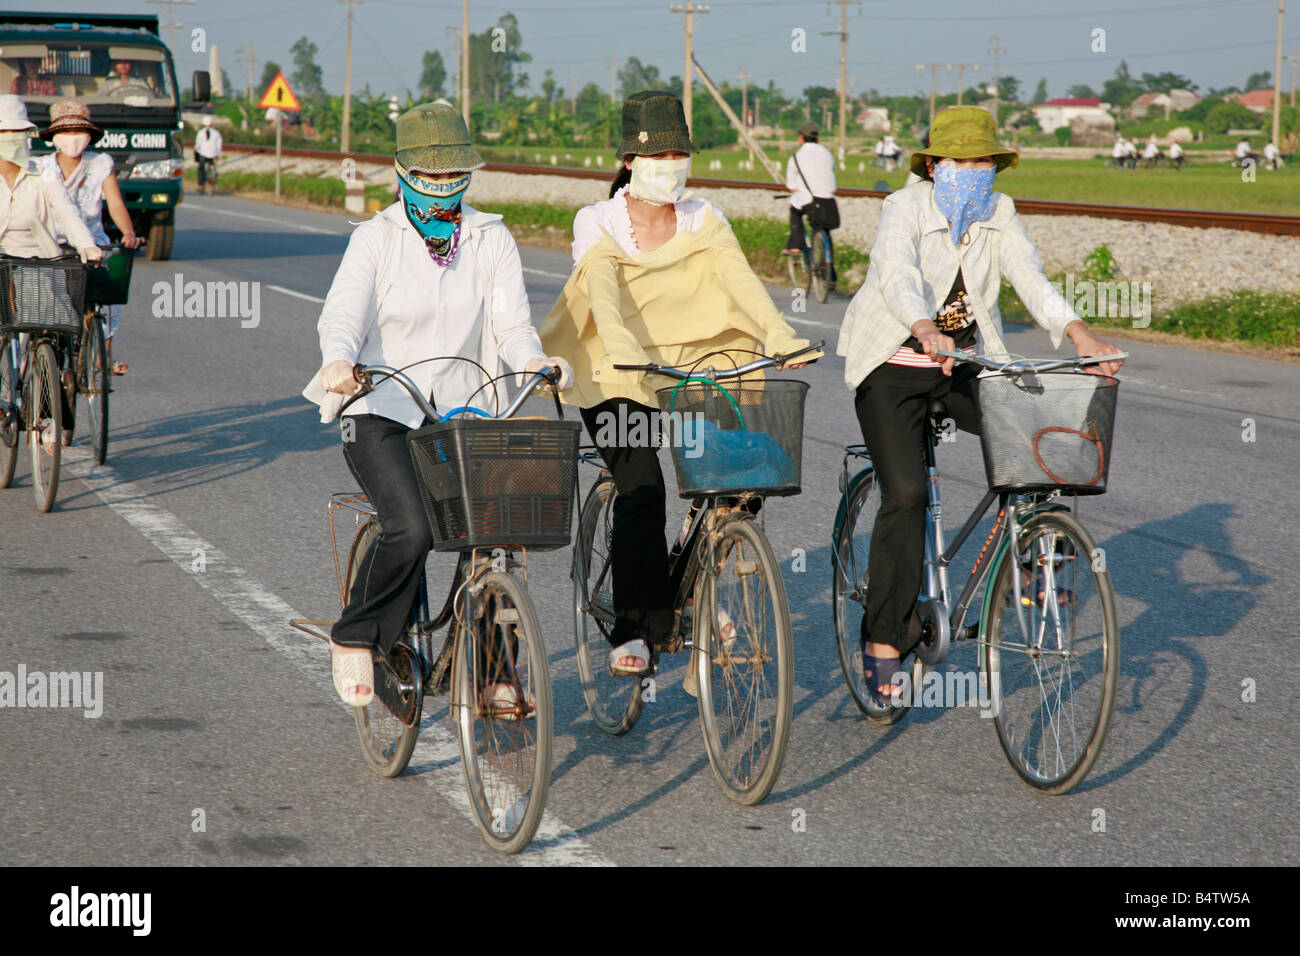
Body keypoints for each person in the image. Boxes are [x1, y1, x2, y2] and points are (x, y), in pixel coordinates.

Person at [836, 106, 1123, 706]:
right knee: (908, 494)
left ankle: (1034, 552)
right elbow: (897, 273)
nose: (974, 171)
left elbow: (1029, 274)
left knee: (1038, 436)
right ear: (934, 164)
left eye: (984, 161)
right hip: (892, 365)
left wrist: (1078, 333)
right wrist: (922, 325)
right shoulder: (903, 209)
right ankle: (885, 638)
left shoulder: (1000, 210)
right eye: (962, 160)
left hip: (962, 364)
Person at [542, 91, 819, 679]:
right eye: (659, 152)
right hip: (618, 369)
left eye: (679, 151)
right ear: (631, 159)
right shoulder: (598, 222)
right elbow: (603, 298)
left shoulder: (704, 218)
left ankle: (704, 585)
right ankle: (634, 626)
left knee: (740, 470)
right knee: (642, 485)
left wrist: (780, 335)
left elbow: (742, 285)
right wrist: (620, 354)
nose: (671, 163)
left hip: (693, 366)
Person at [303, 102, 571, 707]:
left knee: (496, 530)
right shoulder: (376, 238)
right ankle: (357, 635)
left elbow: (513, 326)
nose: (443, 189)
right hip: (380, 407)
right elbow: (343, 316)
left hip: (464, 412)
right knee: (414, 526)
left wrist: (534, 363)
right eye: (430, 178)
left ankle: (498, 670)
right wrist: (340, 363)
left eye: (454, 177)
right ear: (401, 173)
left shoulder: (490, 236)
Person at [0, 95, 102, 453]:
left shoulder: (43, 173)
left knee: (48, 336)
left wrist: (86, 244)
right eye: (4, 132)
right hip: (2, 261)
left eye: (16, 132)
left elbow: (66, 211)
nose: (11, 138)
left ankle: (45, 417)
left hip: (40, 261)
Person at [35, 100, 143, 375]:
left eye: (79, 132)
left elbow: (116, 204)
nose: (73, 139)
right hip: (52, 243)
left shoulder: (100, 163)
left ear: (90, 135)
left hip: (93, 242)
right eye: (67, 132)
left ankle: (103, 355)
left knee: (109, 292)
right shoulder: (41, 167)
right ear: (55, 136)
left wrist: (128, 233)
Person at [782, 119, 837, 283]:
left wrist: (797, 188)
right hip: (828, 201)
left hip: (809, 201)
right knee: (824, 231)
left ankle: (795, 244)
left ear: (801, 137)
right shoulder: (827, 153)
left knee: (794, 209)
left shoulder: (796, 157)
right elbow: (830, 169)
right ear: (817, 138)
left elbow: (791, 186)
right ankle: (831, 277)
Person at [194, 115, 223, 194]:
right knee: (213, 168)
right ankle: (212, 180)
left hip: (203, 154)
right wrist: (217, 155)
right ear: (212, 124)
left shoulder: (200, 133)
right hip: (213, 154)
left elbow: (197, 145)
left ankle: (200, 185)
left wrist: (196, 151)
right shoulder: (217, 133)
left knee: (201, 169)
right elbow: (219, 146)